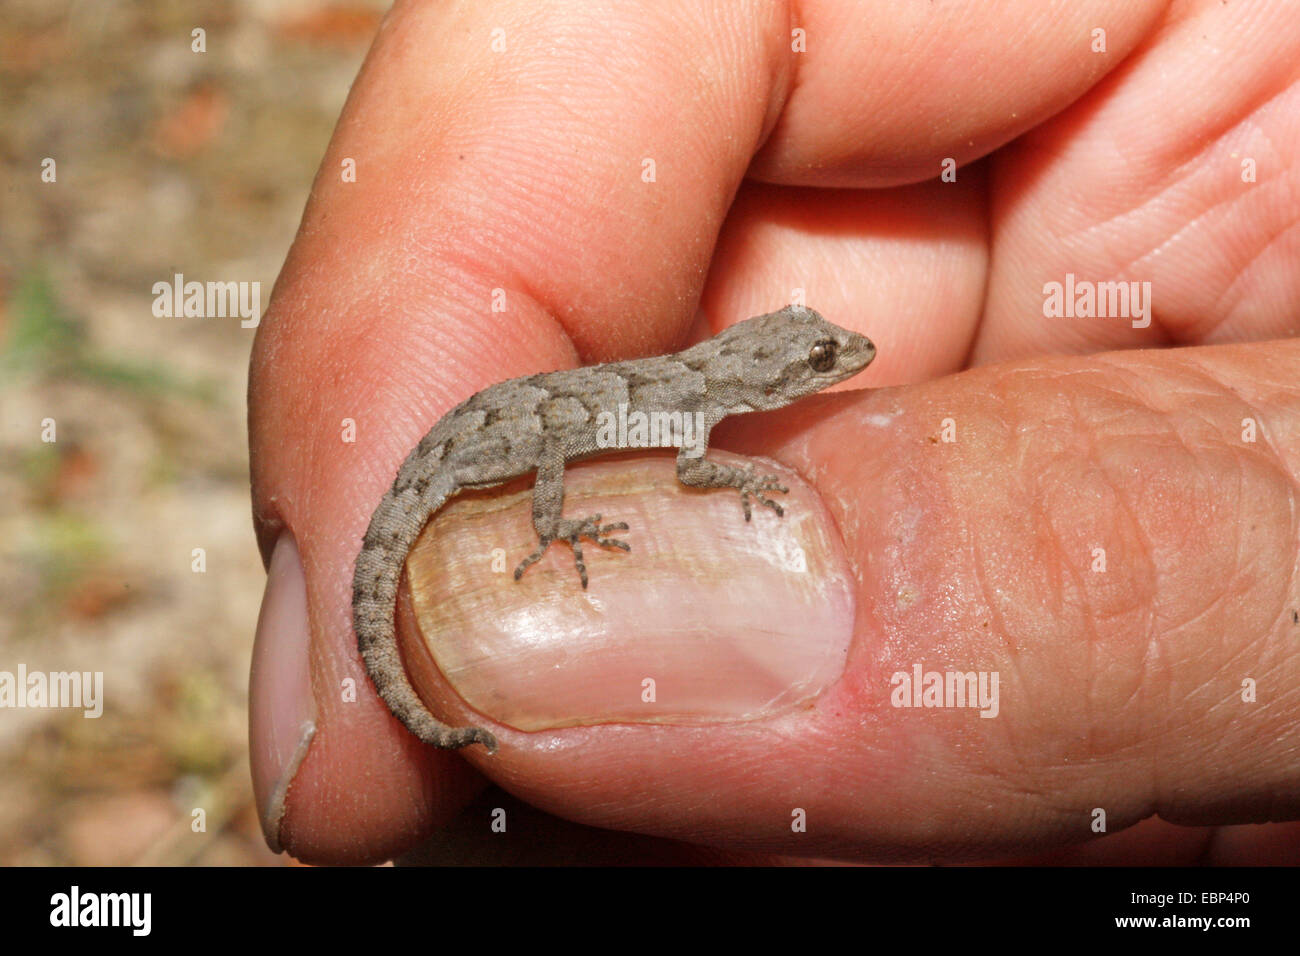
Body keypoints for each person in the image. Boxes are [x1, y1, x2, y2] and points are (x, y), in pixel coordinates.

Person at [246, 0, 1300, 865]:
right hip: (481, 444)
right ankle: (494, 609)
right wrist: (557, 528)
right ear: (761, 369)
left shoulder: (694, 388)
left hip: (475, 425)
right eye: (814, 363)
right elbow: (662, 465)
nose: (833, 362)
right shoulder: (695, 419)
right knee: (544, 468)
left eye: (818, 355)